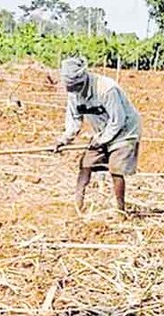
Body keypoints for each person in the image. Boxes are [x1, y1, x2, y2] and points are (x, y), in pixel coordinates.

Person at [52, 56, 142, 214]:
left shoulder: (106, 89)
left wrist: (101, 140)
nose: (71, 89)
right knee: (85, 165)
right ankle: (78, 206)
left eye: (74, 85)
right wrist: (63, 140)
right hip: (102, 132)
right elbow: (74, 120)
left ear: (83, 78)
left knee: (116, 169)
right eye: (69, 86)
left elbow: (117, 120)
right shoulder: (74, 93)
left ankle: (120, 211)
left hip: (125, 130)